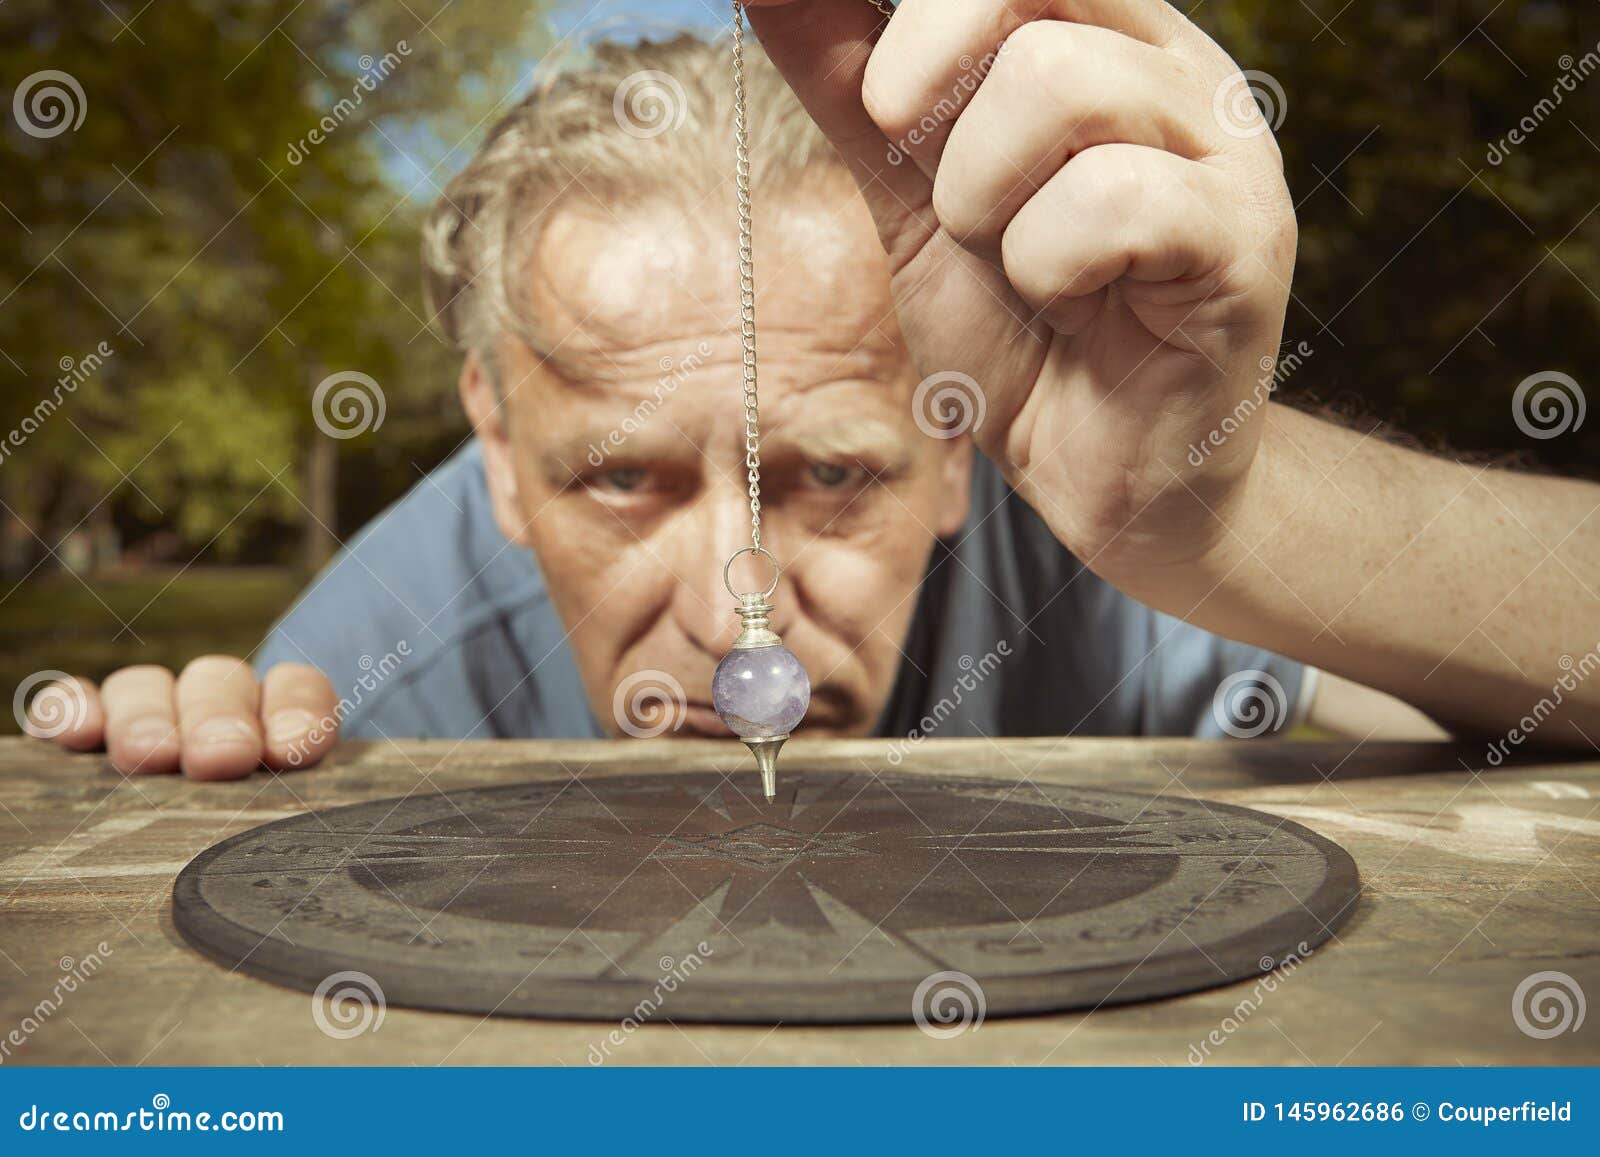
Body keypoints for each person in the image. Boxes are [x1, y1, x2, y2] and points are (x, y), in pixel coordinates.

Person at [30, 1, 1600, 781]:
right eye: (620, 478)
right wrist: (174, 771)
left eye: (837, 474)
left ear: (960, 445)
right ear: (495, 446)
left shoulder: (1083, 555)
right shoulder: (382, 660)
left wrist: (1235, 517)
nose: (741, 619)